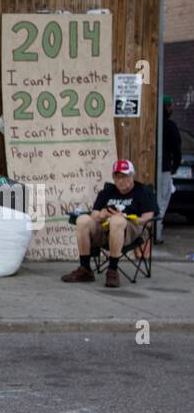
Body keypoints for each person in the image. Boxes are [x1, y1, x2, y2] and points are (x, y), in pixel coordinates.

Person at [62, 159, 156, 289]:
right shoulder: (107, 192)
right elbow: (94, 214)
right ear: (113, 178)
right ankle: (85, 269)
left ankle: (112, 270)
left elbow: (148, 218)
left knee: (117, 221)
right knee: (82, 220)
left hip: (131, 231)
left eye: (124, 176)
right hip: (105, 229)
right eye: (117, 177)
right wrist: (102, 215)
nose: (121, 180)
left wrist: (128, 218)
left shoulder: (143, 191)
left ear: (132, 175)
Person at [159, 95, 181, 244]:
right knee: (162, 200)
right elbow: (176, 149)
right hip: (164, 168)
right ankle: (156, 232)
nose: (173, 108)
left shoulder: (152, 124)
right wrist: (175, 167)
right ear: (166, 107)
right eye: (171, 105)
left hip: (152, 167)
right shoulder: (169, 125)